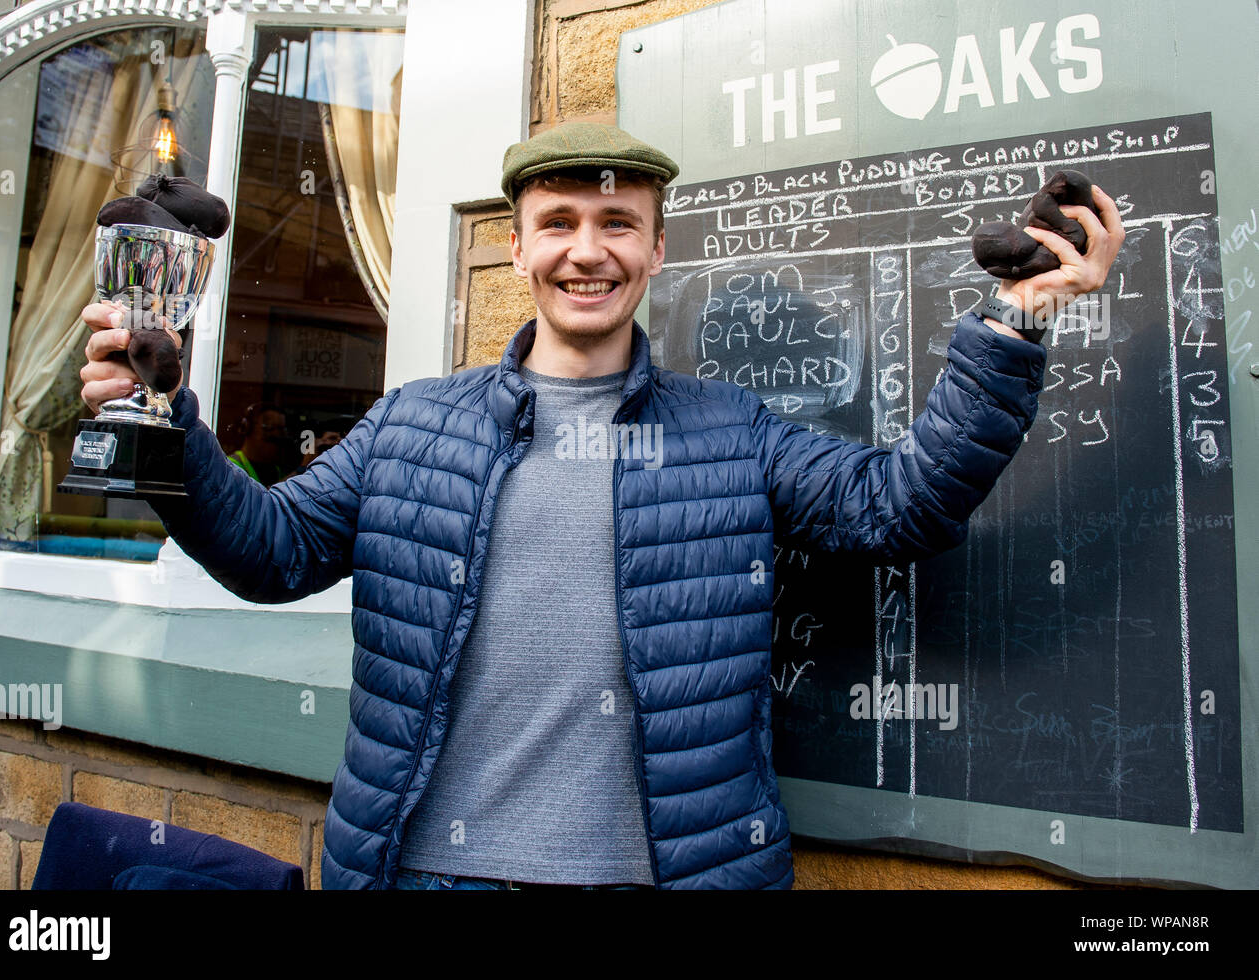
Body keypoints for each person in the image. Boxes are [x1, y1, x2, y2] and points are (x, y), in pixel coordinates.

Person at [78, 122, 1124, 890]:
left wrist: (1012, 323)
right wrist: (158, 424)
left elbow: (899, 506)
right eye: (560, 224)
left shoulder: (731, 430)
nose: (589, 250)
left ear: (656, 250)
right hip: (427, 874)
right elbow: (270, 553)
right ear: (521, 247)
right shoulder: (412, 425)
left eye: (618, 222)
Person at [226, 402, 290, 487]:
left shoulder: (276, 470)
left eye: (281, 429)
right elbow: (257, 498)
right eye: (269, 427)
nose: (276, 434)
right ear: (247, 428)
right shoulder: (231, 466)